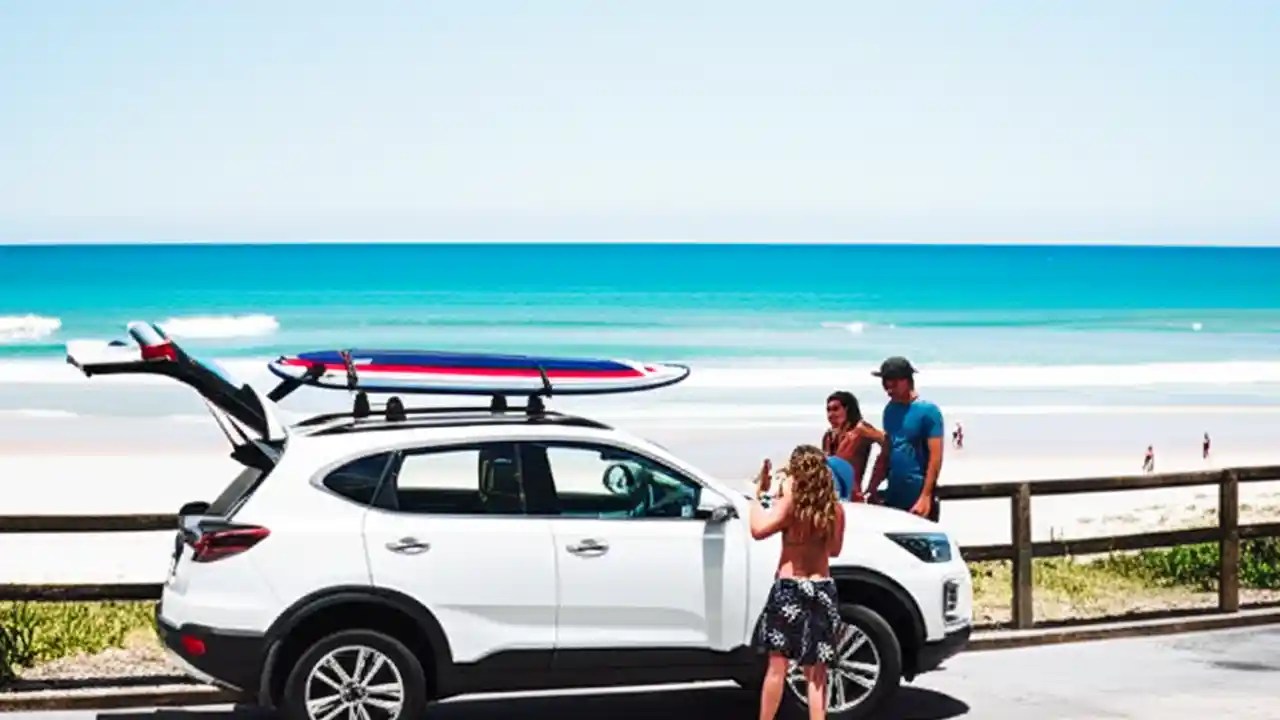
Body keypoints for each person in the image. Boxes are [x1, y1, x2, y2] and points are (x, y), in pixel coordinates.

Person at [750, 445, 846, 720]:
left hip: (790, 587)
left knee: (777, 665)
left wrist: (758, 495)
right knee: (817, 672)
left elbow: (759, 530)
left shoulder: (792, 504)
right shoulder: (835, 510)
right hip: (822, 588)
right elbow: (835, 550)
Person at [866, 356, 944, 521]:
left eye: (893, 384)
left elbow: (936, 458)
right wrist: (872, 487)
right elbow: (887, 451)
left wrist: (925, 496)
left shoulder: (929, 411)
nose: (888, 390)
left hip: (917, 492)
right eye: (885, 384)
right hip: (894, 492)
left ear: (906, 381)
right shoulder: (890, 410)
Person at [821, 390, 881, 501]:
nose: (831, 415)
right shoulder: (829, 436)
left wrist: (874, 484)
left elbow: (887, 442)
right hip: (833, 496)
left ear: (847, 409)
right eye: (828, 410)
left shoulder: (860, 430)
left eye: (835, 409)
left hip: (854, 496)